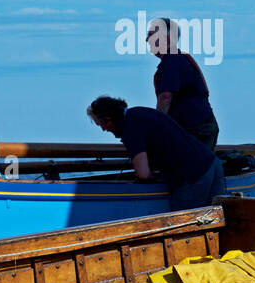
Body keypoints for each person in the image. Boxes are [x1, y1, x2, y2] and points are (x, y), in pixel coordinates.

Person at [87, 95, 227, 210]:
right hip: (212, 163)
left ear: (109, 118)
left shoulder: (131, 128)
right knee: (217, 223)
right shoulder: (140, 113)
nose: (104, 129)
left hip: (193, 175)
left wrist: (150, 178)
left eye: (103, 124)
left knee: (185, 228)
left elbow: (143, 174)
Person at [147, 17, 220, 151]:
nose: (147, 40)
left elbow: (165, 97)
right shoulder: (177, 58)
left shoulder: (172, 60)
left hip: (195, 127)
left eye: (151, 35)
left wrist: (156, 128)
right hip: (201, 124)